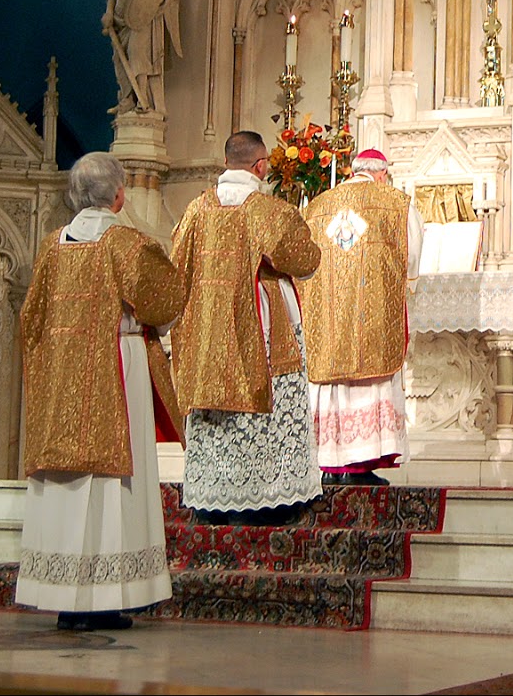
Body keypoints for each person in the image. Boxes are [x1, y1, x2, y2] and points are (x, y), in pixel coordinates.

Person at [15, 152, 186, 631]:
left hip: (61, 379)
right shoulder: (125, 244)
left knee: (69, 490)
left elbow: (30, 319)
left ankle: (67, 599)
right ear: (118, 194)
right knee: (110, 489)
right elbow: (166, 301)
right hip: (118, 369)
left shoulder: (53, 246)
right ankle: (105, 598)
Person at [170, 131, 322, 523]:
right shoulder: (266, 210)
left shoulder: (195, 211)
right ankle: (271, 496)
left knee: (217, 422)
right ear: (261, 166)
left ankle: (212, 496)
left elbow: (175, 268)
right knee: (266, 415)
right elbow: (305, 259)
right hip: (260, 330)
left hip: (206, 336)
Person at [299, 147, 423, 486]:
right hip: (373, 315)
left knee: (330, 379)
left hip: (326, 318)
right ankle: (361, 462)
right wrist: (407, 282)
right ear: (381, 173)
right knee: (371, 377)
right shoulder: (396, 203)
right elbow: (411, 255)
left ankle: (330, 464)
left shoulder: (318, 206)